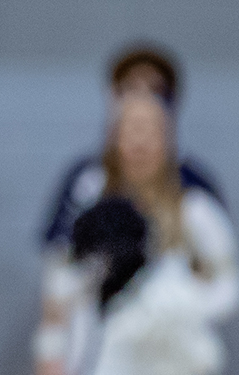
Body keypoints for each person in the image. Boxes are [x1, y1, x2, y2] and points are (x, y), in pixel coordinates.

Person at [35, 45, 226, 375]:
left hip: (170, 356)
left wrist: (176, 307)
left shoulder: (194, 196)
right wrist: (49, 347)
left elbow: (224, 284)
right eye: (130, 89)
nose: (140, 141)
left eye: (154, 90)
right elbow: (60, 275)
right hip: (101, 350)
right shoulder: (88, 186)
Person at [65, 93, 239, 375]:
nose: (140, 143)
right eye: (131, 131)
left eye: (150, 132)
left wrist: (183, 306)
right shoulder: (94, 206)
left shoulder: (195, 209)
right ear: (114, 138)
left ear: (168, 140)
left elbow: (230, 289)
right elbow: (77, 295)